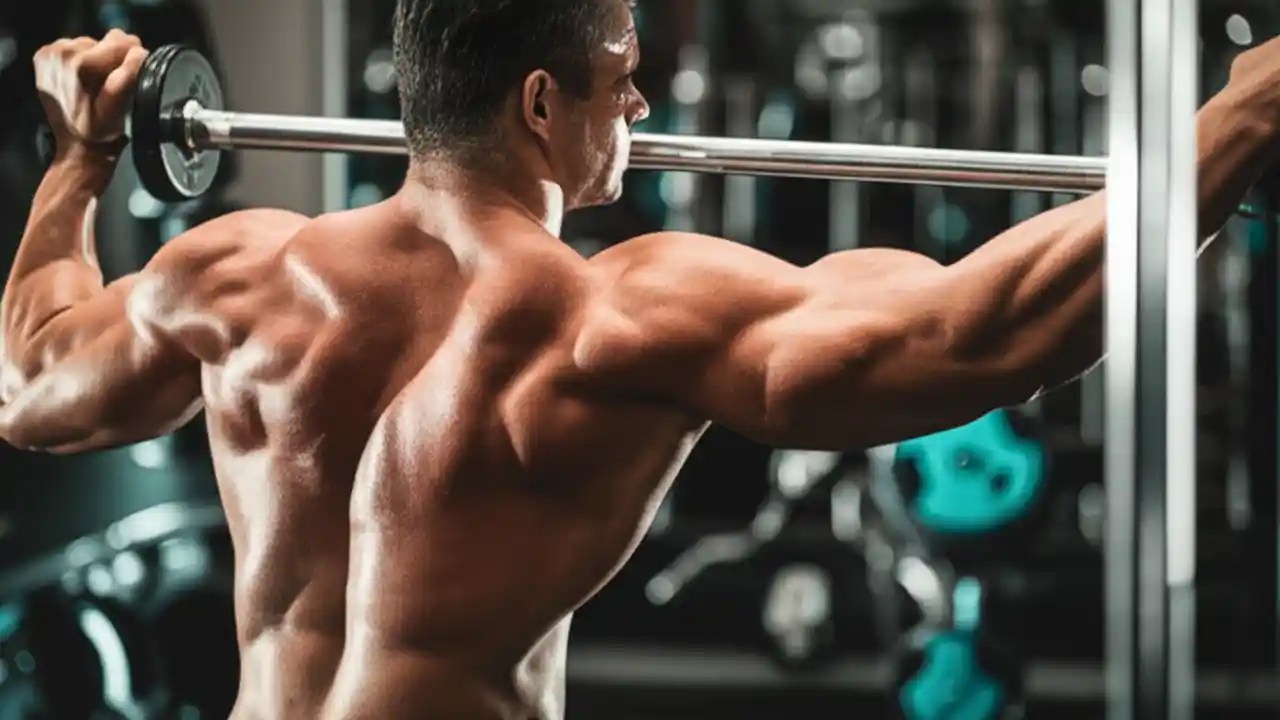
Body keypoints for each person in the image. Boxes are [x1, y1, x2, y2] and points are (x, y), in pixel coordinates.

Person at [1, 1, 1277, 717]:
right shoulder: (612, 314)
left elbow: (35, 382)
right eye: (621, 80)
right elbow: (980, 335)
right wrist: (1235, 123)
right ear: (540, 105)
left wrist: (79, 167)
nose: (641, 111)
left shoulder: (235, 276)